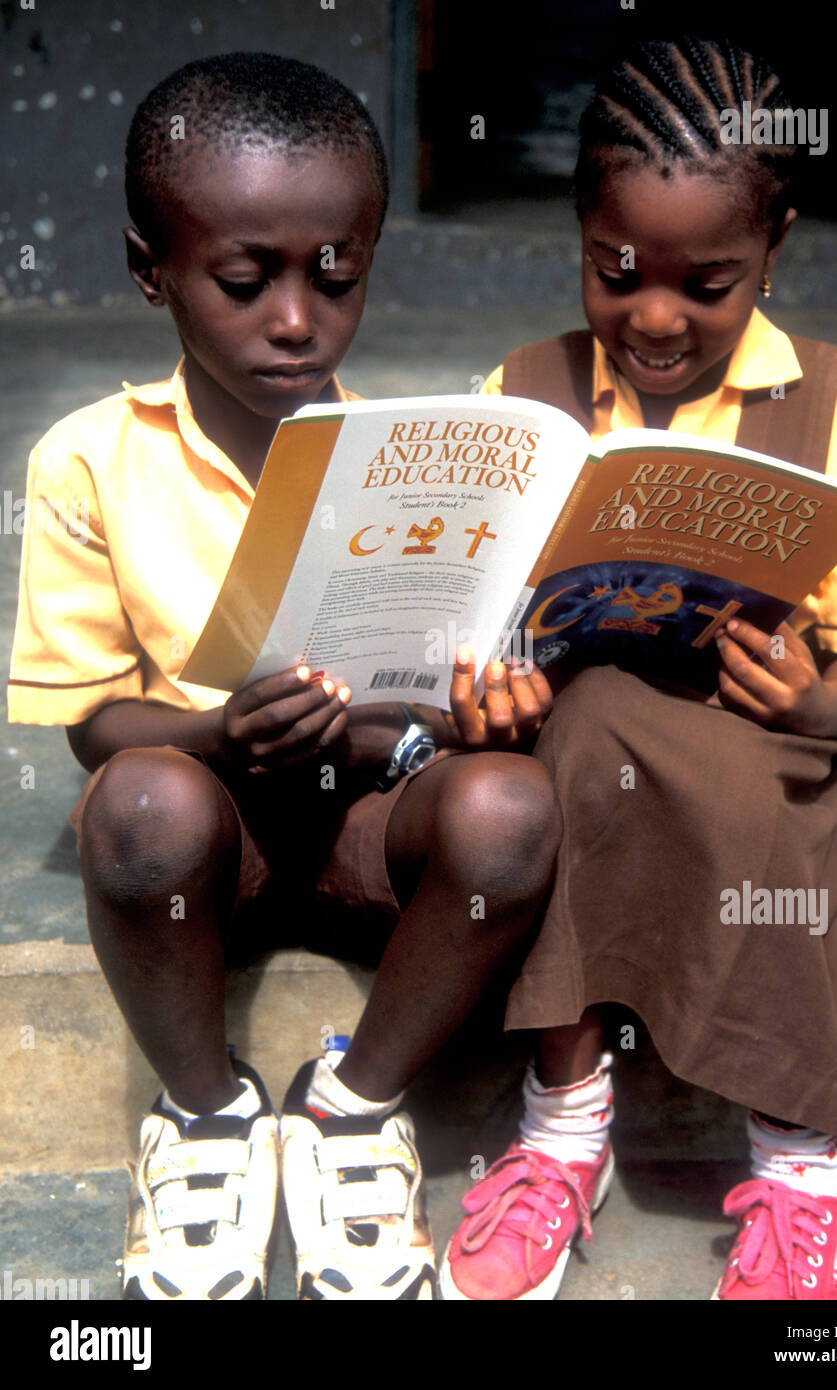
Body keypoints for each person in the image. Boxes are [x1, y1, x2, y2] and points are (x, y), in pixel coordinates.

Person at [7, 51, 559, 1302]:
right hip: (216, 847)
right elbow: (96, 722)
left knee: (511, 806)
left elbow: (444, 694)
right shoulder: (89, 461)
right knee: (140, 802)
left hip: (368, 830)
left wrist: (452, 724)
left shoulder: (420, 459)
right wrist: (220, 735)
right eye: (245, 280)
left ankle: (354, 1108)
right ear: (151, 269)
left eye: (338, 274)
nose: (298, 318)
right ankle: (204, 1115)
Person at [439, 37, 837, 1302]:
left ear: (771, 253)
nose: (652, 315)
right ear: (577, 234)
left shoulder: (834, 405)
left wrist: (812, 695)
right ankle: (563, 1133)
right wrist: (478, 680)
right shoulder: (522, 392)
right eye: (614, 270)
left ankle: (797, 1160)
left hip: (764, 757)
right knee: (579, 733)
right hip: (575, 744)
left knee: (699, 771)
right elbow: (466, 620)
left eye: (707, 283)